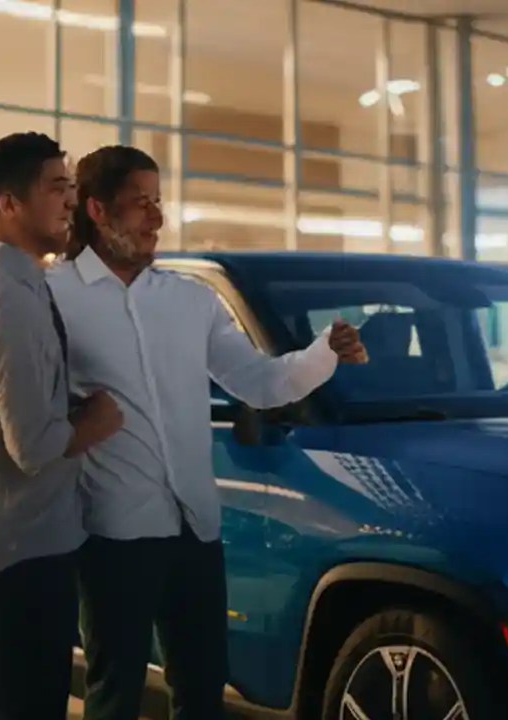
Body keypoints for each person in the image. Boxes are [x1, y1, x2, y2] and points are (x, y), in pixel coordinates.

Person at [47, 145, 367, 720]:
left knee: (201, 693)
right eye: (140, 201)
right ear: (96, 209)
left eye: (158, 200)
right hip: (111, 533)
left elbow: (259, 383)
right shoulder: (54, 296)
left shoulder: (190, 301)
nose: (157, 216)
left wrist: (324, 352)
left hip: (194, 529)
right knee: (114, 694)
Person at [0, 132, 125, 720]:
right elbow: (34, 447)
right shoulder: (7, 299)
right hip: (26, 549)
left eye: (71, 187)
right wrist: (96, 421)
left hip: (6, 541)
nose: (71, 201)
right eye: (57, 188)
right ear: (9, 203)